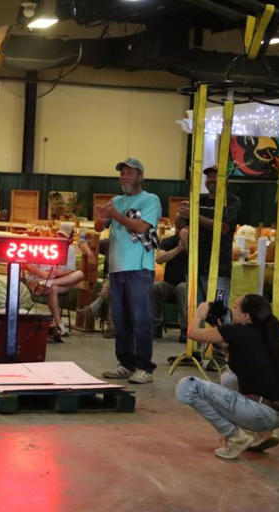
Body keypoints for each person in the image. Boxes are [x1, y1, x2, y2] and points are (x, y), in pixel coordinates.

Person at [176, 294, 279, 460]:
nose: (232, 309)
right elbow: (238, 365)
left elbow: (192, 333)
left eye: (235, 307)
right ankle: (265, 433)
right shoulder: (268, 332)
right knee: (228, 378)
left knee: (187, 386)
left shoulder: (236, 332)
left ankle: (235, 436)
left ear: (246, 316)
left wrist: (199, 315)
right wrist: (224, 339)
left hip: (259, 414)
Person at [96, 158, 161, 384]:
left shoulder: (150, 200)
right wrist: (101, 219)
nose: (124, 177)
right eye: (122, 173)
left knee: (140, 318)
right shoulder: (116, 201)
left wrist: (115, 216)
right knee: (120, 319)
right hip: (116, 267)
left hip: (139, 267)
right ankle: (125, 363)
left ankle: (145, 367)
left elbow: (143, 227)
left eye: (129, 173)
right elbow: (101, 226)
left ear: (140, 176)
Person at [179, 165, 241, 367]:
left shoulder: (232, 202)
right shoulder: (201, 200)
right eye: (209, 177)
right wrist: (182, 220)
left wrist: (193, 216)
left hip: (219, 269)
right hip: (196, 265)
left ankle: (220, 355)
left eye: (216, 176)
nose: (211, 180)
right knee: (195, 309)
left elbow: (222, 228)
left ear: (225, 180)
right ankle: (193, 351)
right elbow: (181, 220)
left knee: (218, 310)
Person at [25, 223, 95, 340]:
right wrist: (42, 274)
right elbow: (26, 264)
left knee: (80, 274)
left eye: (64, 237)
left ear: (70, 239)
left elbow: (70, 270)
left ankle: (50, 283)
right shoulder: (45, 245)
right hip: (40, 280)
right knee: (54, 289)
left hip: (57, 281)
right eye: (59, 235)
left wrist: (58, 274)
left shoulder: (71, 250)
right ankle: (59, 324)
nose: (60, 238)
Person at [152, 216, 189, 343]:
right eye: (180, 230)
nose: (182, 233)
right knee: (155, 287)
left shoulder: (197, 244)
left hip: (189, 286)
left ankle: (185, 329)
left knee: (182, 288)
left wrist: (187, 245)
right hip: (170, 284)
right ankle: (155, 326)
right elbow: (159, 258)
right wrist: (178, 249)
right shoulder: (169, 241)